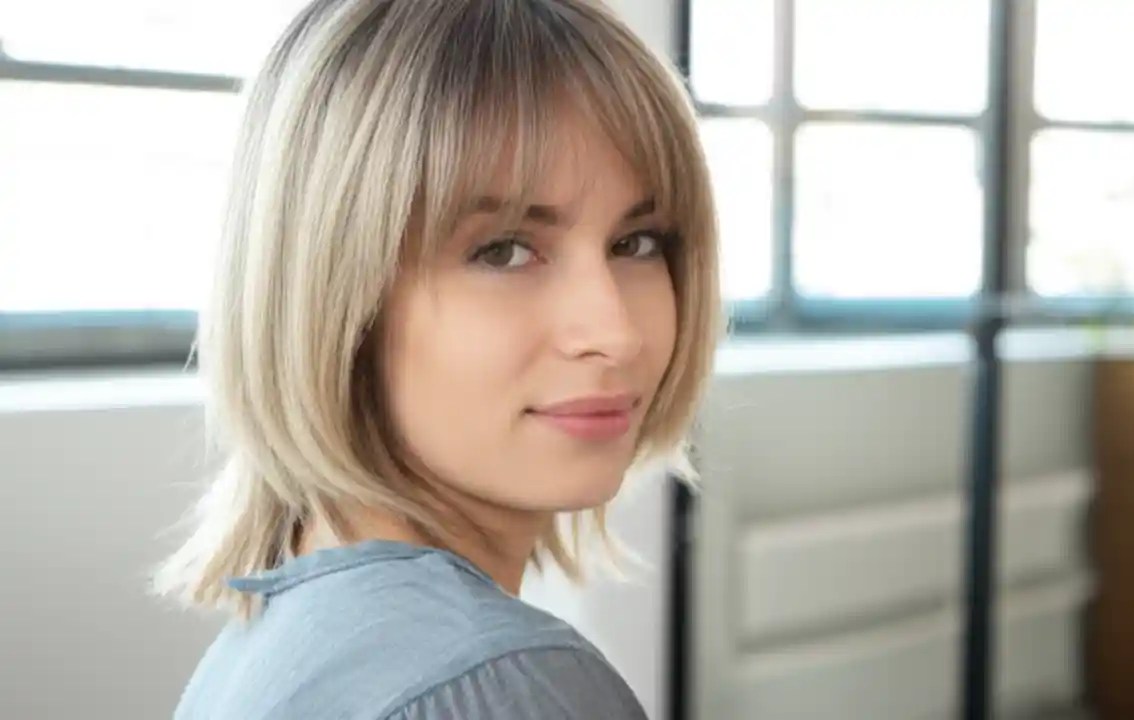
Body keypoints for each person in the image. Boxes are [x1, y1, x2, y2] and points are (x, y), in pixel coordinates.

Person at [153, 0, 720, 717]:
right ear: (333, 293)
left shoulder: (268, 645)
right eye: (505, 250)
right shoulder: (497, 684)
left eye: (636, 242)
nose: (615, 331)